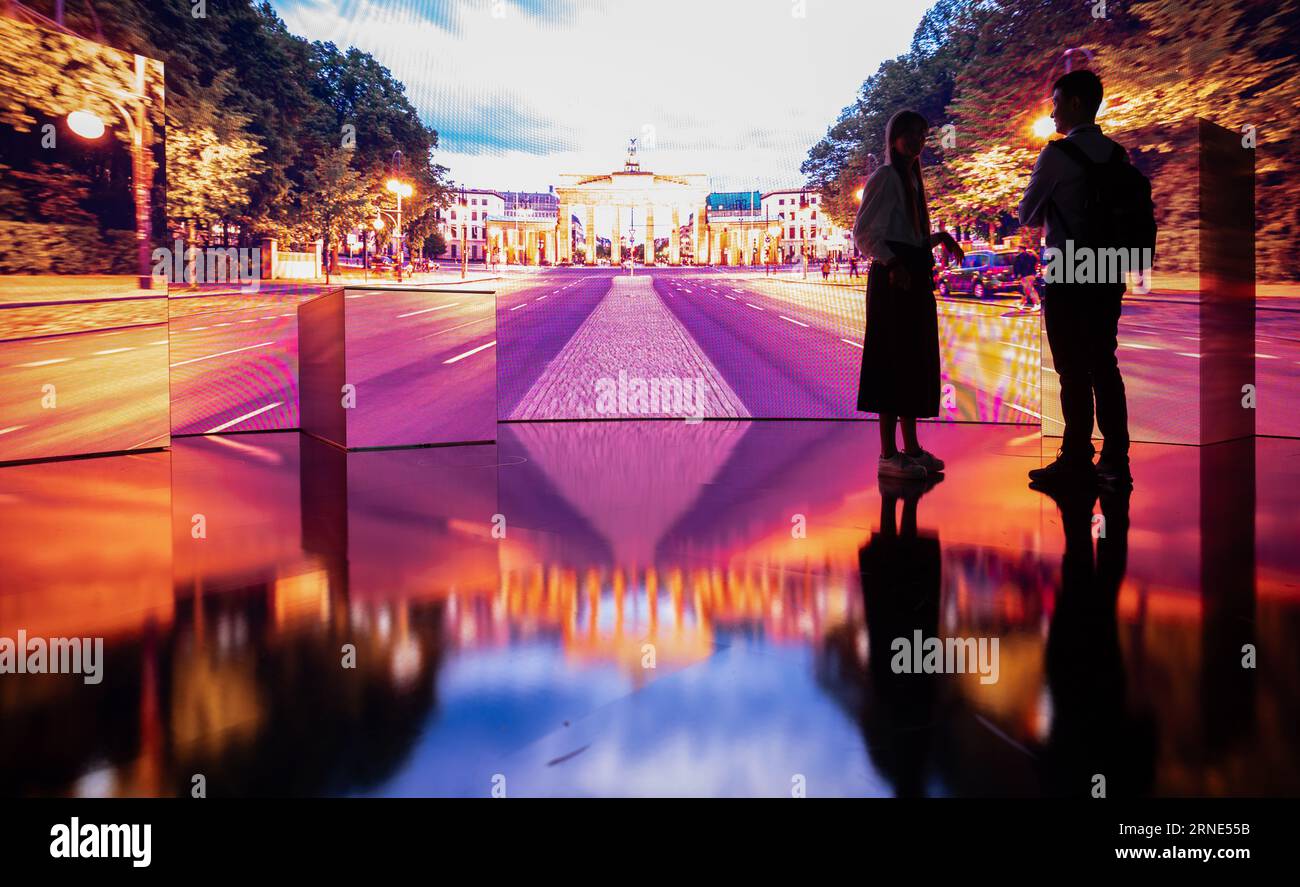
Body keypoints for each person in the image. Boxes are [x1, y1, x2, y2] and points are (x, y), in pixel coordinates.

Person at [1018, 69, 1132, 488]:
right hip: (1108, 267)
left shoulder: (1056, 155)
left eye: (1056, 102)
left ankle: (1076, 458)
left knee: (1071, 370)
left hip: (1068, 268)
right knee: (1105, 362)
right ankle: (1116, 458)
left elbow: (1027, 214)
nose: (1051, 111)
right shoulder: (1118, 155)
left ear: (1077, 104)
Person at [853, 109, 964, 480]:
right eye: (911, 134)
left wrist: (939, 239)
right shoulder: (885, 177)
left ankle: (911, 449)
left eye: (923, 135)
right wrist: (893, 264)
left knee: (912, 362)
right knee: (891, 363)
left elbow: (910, 236)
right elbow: (865, 233)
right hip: (893, 281)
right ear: (894, 136)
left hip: (912, 276)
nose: (917, 141)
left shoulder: (912, 180)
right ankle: (888, 454)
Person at [1013, 244, 1039, 309]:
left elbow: (1016, 267)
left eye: (1018, 249)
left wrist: (1016, 276)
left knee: (1030, 290)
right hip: (1032, 274)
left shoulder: (1018, 257)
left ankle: (1038, 303)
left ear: (1021, 249)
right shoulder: (1032, 256)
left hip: (1024, 276)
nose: (1017, 250)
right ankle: (1022, 303)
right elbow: (1036, 261)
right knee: (1025, 290)